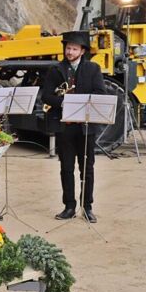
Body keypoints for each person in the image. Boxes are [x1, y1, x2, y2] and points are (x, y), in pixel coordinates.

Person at [41, 31, 106, 223]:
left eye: (74, 49)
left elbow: (100, 93)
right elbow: (46, 96)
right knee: (66, 168)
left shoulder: (93, 69)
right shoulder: (55, 69)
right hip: (65, 126)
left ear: (82, 51)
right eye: (68, 48)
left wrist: (80, 101)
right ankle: (69, 206)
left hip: (85, 126)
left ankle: (87, 207)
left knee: (87, 169)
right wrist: (64, 102)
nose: (69, 52)